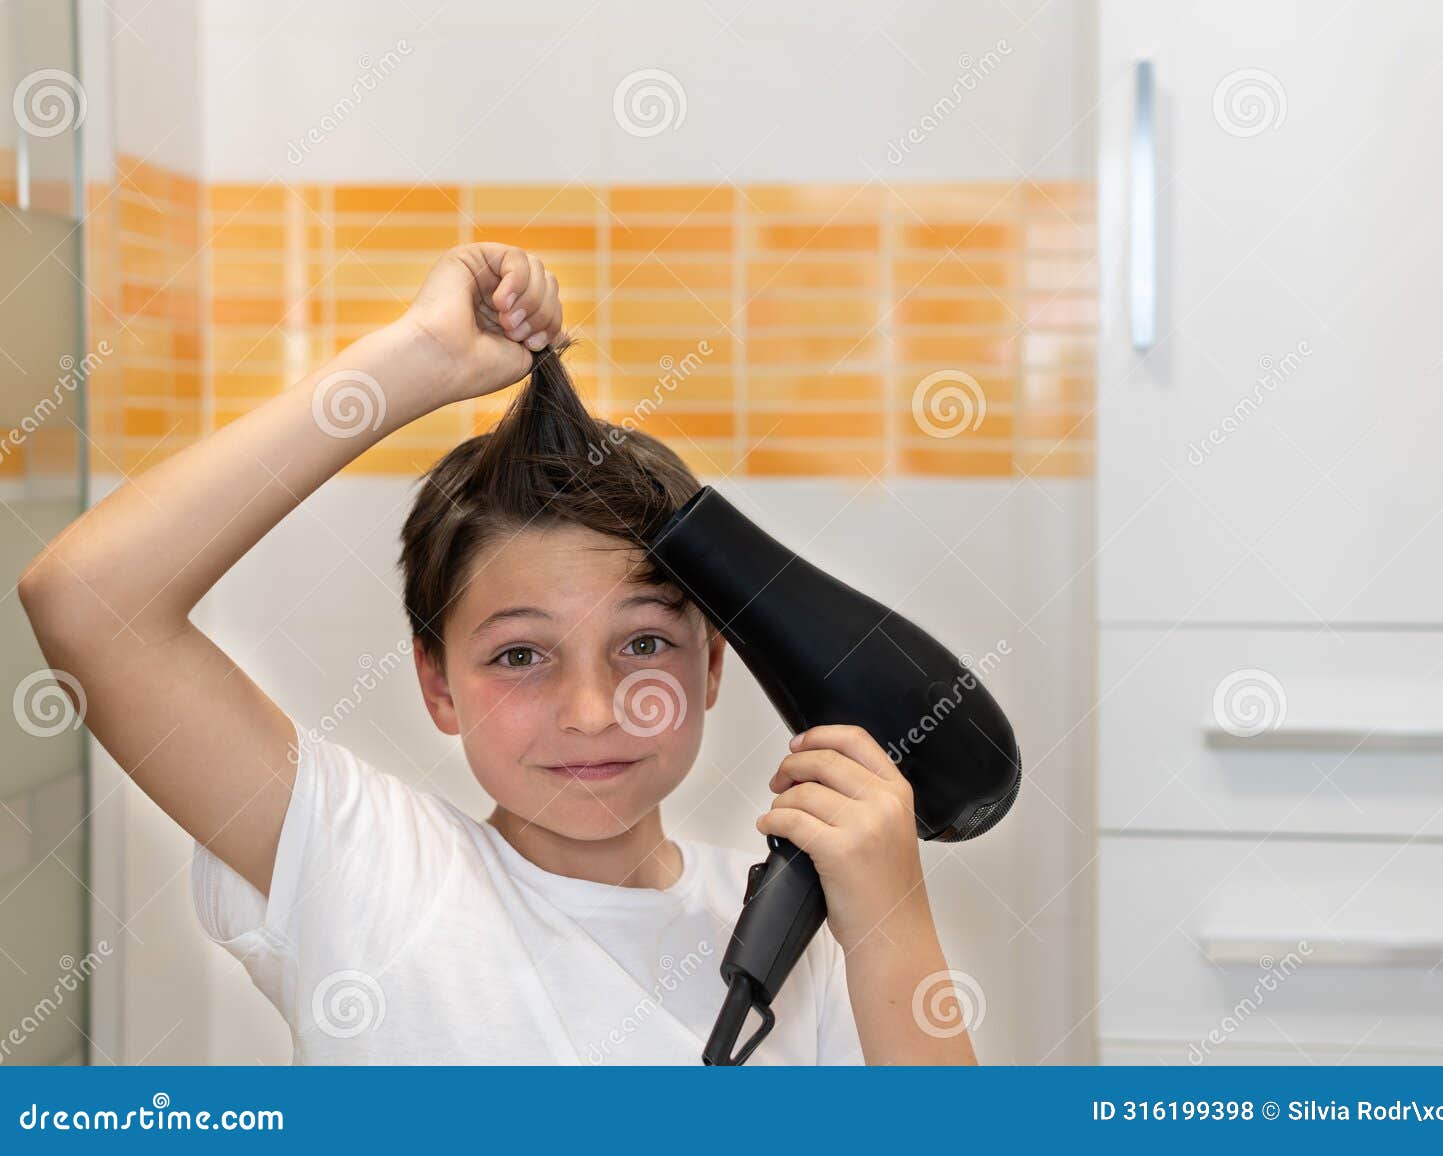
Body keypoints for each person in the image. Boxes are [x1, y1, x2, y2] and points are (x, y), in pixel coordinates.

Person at [18, 243, 978, 1065]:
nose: (594, 711)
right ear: (438, 682)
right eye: (521, 656)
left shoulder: (810, 936)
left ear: (715, 663)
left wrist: (893, 925)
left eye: (642, 642)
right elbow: (87, 603)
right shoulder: (362, 867)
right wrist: (416, 362)